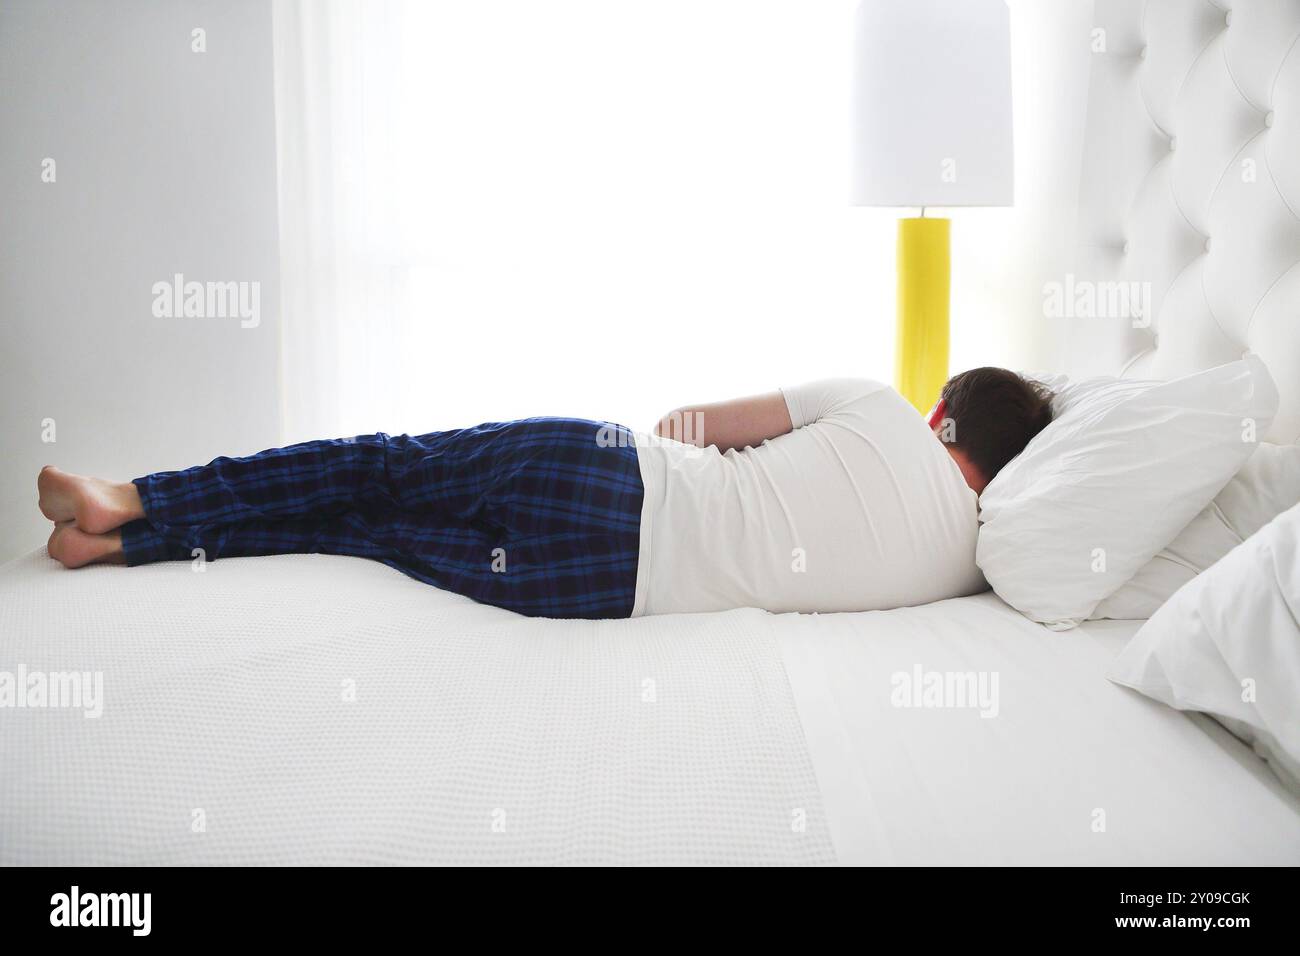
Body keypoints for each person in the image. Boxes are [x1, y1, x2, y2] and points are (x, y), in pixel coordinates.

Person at [37, 368, 1053, 618]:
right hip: (594, 584)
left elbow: (683, 426)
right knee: (357, 527)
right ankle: (122, 547)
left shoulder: (876, 403)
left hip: (608, 471)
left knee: (375, 463)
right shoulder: (970, 567)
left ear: (941, 417)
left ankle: (131, 495)